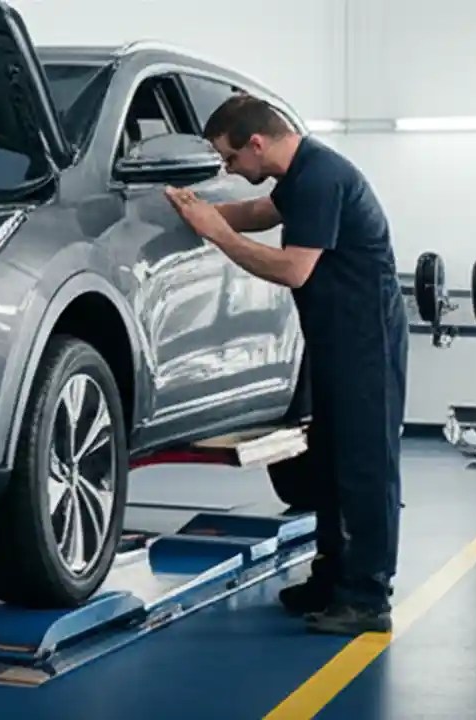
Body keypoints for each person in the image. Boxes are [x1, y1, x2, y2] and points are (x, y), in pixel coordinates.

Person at [162, 94, 407, 636]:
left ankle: (368, 599)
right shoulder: (298, 174)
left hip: (367, 340)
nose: (229, 169)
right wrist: (192, 212)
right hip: (333, 339)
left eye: (230, 159)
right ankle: (332, 581)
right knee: (329, 465)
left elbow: (293, 270)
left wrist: (217, 234)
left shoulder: (321, 178)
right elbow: (259, 212)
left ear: (256, 144)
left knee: (365, 468)